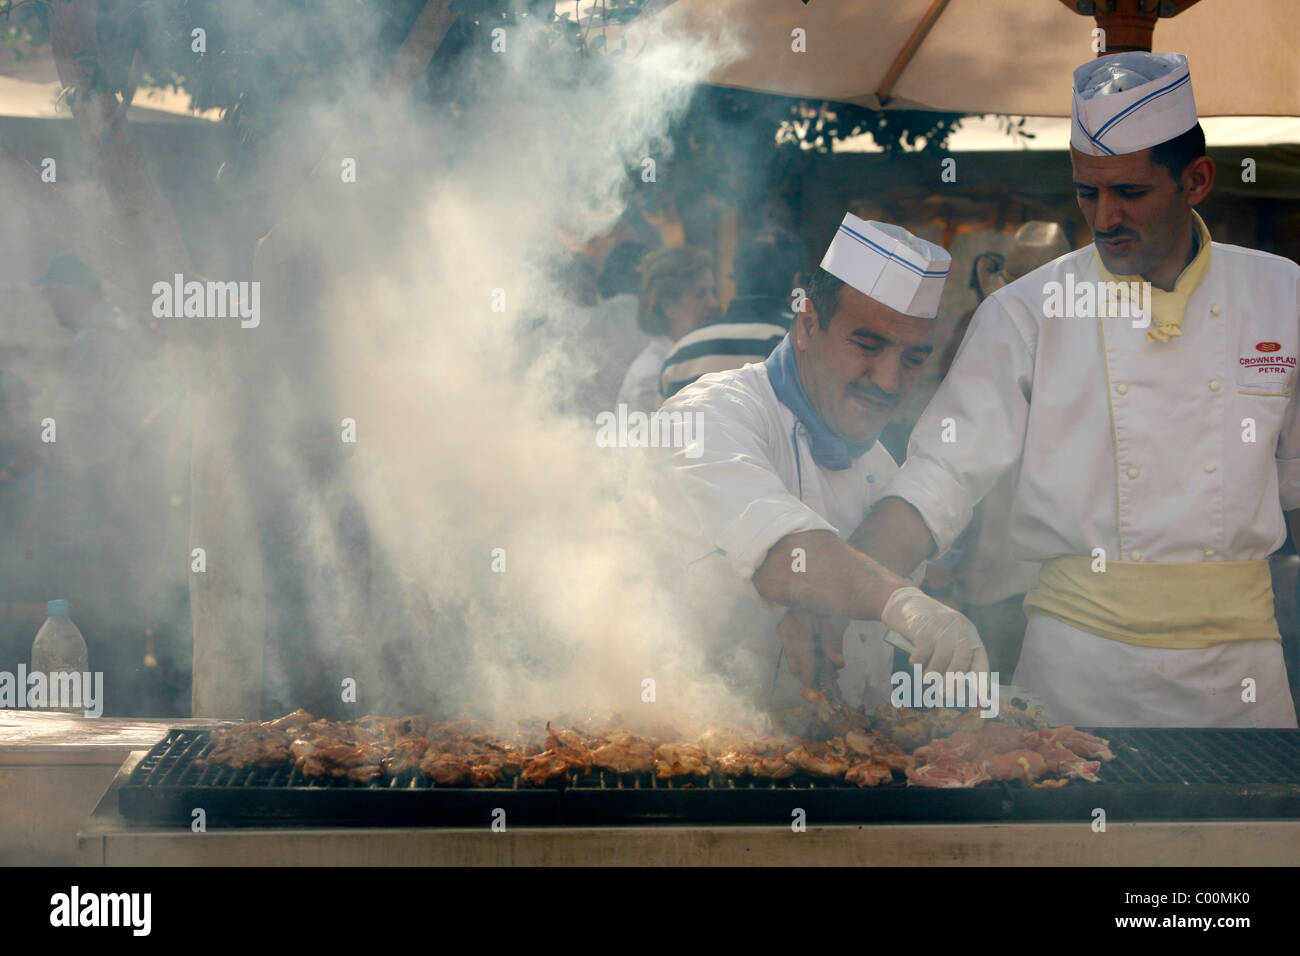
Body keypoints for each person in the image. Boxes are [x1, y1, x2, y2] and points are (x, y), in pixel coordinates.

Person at [855, 52, 1299, 728]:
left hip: (1243, 677)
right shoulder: (1026, 313)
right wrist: (850, 595)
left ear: (1197, 180)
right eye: (1088, 192)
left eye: (1130, 191)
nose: (1104, 215)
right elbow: (937, 478)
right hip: (1077, 671)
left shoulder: (1281, 295)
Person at [658, 214, 981, 713]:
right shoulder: (706, 415)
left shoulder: (881, 467)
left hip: (836, 767)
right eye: (868, 346)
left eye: (913, 359)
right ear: (807, 323)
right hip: (690, 754)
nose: (890, 382)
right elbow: (779, 551)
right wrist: (903, 604)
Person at [923, 222, 1072, 675]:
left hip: (1035, 575)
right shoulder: (995, 329)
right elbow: (960, 449)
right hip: (1011, 572)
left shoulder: (1013, 327)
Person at [658, 227, 807, 400]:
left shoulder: (678, 356)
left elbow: (662, 425)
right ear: (798, 281)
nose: (713, 303)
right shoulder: (802, 342)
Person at [616, 245, 719, 415]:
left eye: (713, 292)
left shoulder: (688, 359)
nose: (714, 303)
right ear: (668, 306)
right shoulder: (652, 374)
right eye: (700, 295)